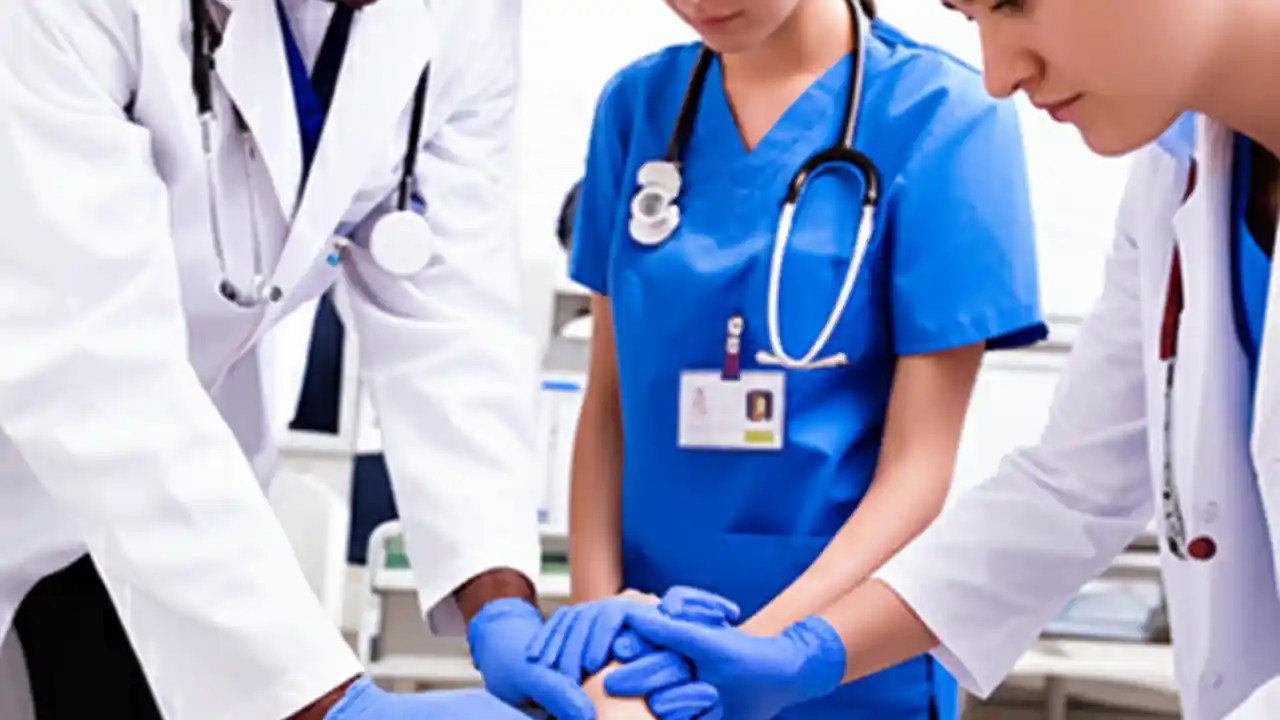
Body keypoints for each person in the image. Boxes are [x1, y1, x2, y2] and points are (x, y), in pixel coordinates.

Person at [592, 1, 1280, 719]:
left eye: (1016, 3)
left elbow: (933, 466)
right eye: (972, 16)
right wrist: (806, 651)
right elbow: (1071, 490)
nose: (1000, 73)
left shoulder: (936, 110)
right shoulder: (1177, 178)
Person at [0, 0, 598, 717]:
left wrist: (498, 599)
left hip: (174, 494)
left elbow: (448, 307)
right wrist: (332, 704)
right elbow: (88, 361)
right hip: (75, 424)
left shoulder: (465, 17)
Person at [524, 0, 1047, 717]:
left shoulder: (944, 114)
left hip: (843, 656)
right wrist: (601, 635)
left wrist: (744, 659)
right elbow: (607, 407)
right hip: (641, 662)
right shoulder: (636, 107)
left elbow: (919, 468)